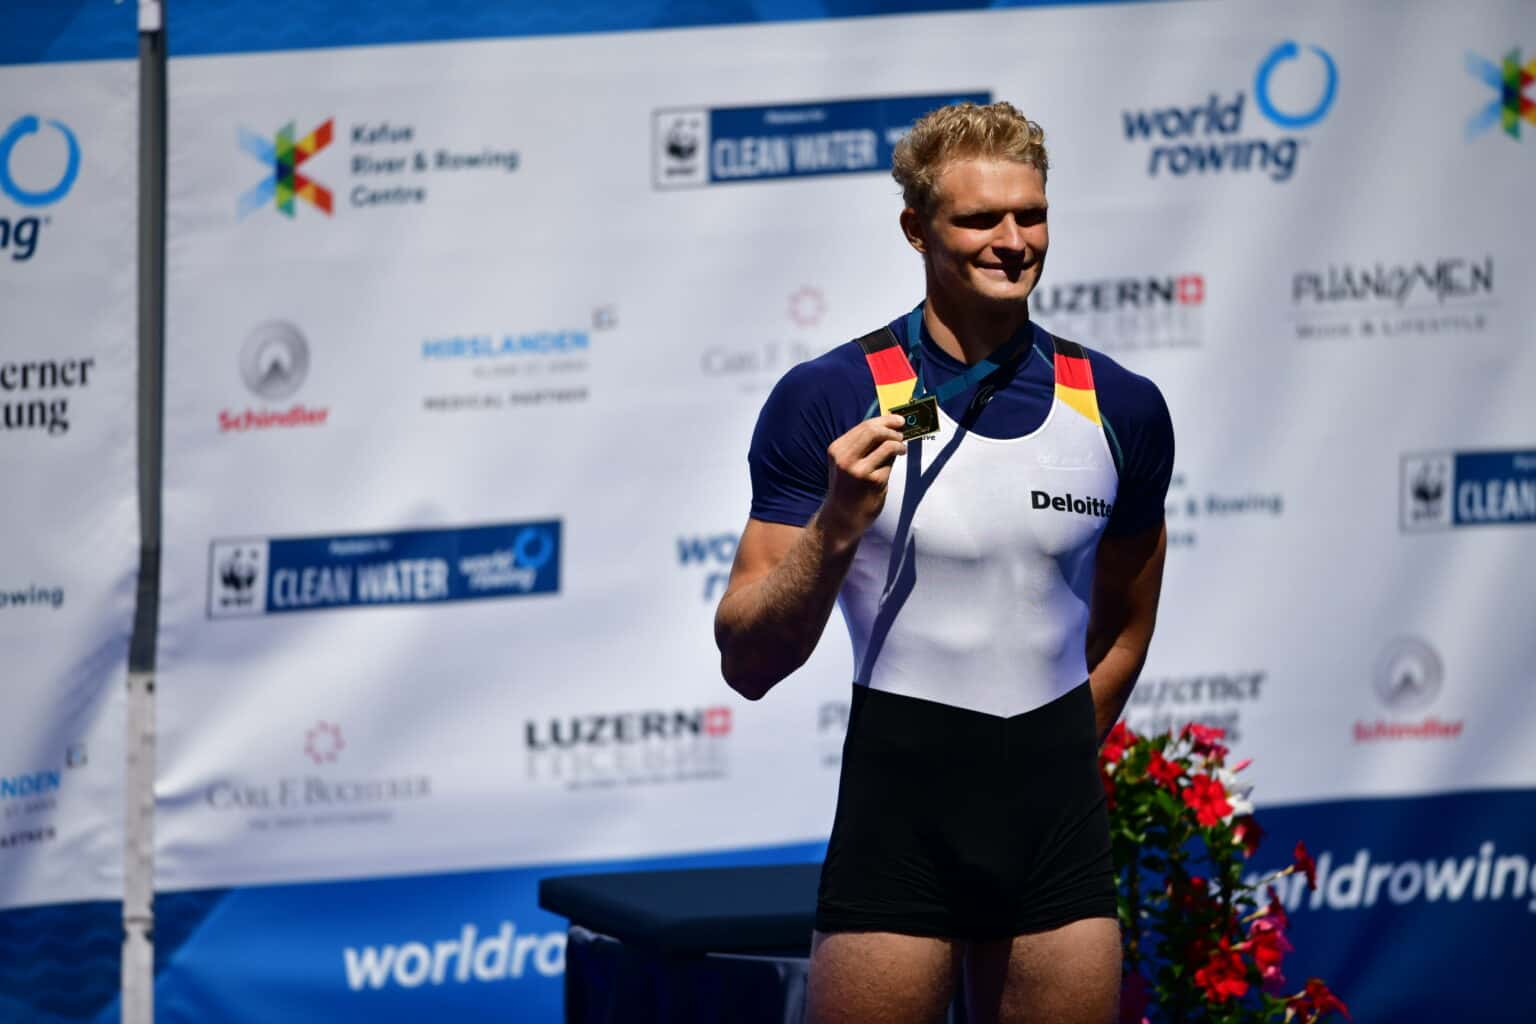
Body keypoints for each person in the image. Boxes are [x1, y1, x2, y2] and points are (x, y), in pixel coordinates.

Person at [713, 101, 1173, 1024]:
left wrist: (1047, 749)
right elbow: (747, 658)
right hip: (900, 815)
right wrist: (837, 525)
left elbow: (1124, 622)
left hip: (1054, 824)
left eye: (1031, 214)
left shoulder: (1120, 405)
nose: (1013, 240)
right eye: (979, 219)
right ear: (916, 229)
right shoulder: (833, 396)